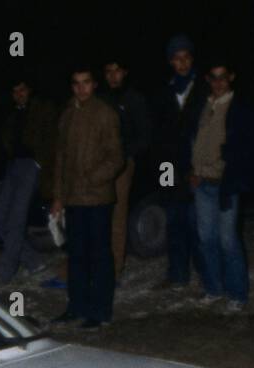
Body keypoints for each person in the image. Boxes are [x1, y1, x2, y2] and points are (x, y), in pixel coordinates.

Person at [51, 68, 125, 329]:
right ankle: (76, 306)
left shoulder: (105, 113)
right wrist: (58, 196)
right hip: (73, 198)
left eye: (86, 83)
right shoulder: (67, 114)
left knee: (100, 255)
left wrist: (93, 177)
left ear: (94, 85)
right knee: (76, 255)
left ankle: (100, 310)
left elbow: (116, 157)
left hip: (97, 197)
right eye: (76, 83)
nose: (81, 88)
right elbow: (60, 158)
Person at [189, 58, 254, 313]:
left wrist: (231, 173)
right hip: (201, 183)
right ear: (208, 80)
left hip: (225, 184)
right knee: (206, 239)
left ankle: (237, 293)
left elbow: (247, 148)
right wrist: (192, 170)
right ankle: (213, 288)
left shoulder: (241, 106)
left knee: (228, 239)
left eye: (223, 77)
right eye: (213, 77)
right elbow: (192, 138)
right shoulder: (202, 104)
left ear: (231, 77)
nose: (218, 82)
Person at [151, 35, 209, 291]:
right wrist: (163, 174)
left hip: (198, 165)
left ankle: (207, 276)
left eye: (186, 58)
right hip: (171, 167)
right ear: (170, 62)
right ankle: (177, 274)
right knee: (174, 221)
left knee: (198, 223)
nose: (182, 63)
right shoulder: (165, 90)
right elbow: (159, 133)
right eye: (177, 59)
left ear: (192, 59)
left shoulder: (205, 88)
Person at [0, 77, 56, 285]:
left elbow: (52, 138)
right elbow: (6, 140)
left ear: (30, 90)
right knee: (0, 218)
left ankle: (5, 271)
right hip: (13, 166)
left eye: (23, 90)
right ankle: (34, 261)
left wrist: (40, 162)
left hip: (31, 166)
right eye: (15, 91)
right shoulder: (12, 114)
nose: (19, 94)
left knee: (17, 218)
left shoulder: (43, 109)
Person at [100, 57, 152, 280]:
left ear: (125, 73)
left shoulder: (134, 99)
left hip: (122, 164)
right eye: (108, 71)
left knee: (117, 215)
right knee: (97, 214)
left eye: (117, 70)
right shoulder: (100, 99)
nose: (113, 76)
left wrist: (123, 154)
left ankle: (115, 267)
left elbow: (145, 137)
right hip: (98, 164)